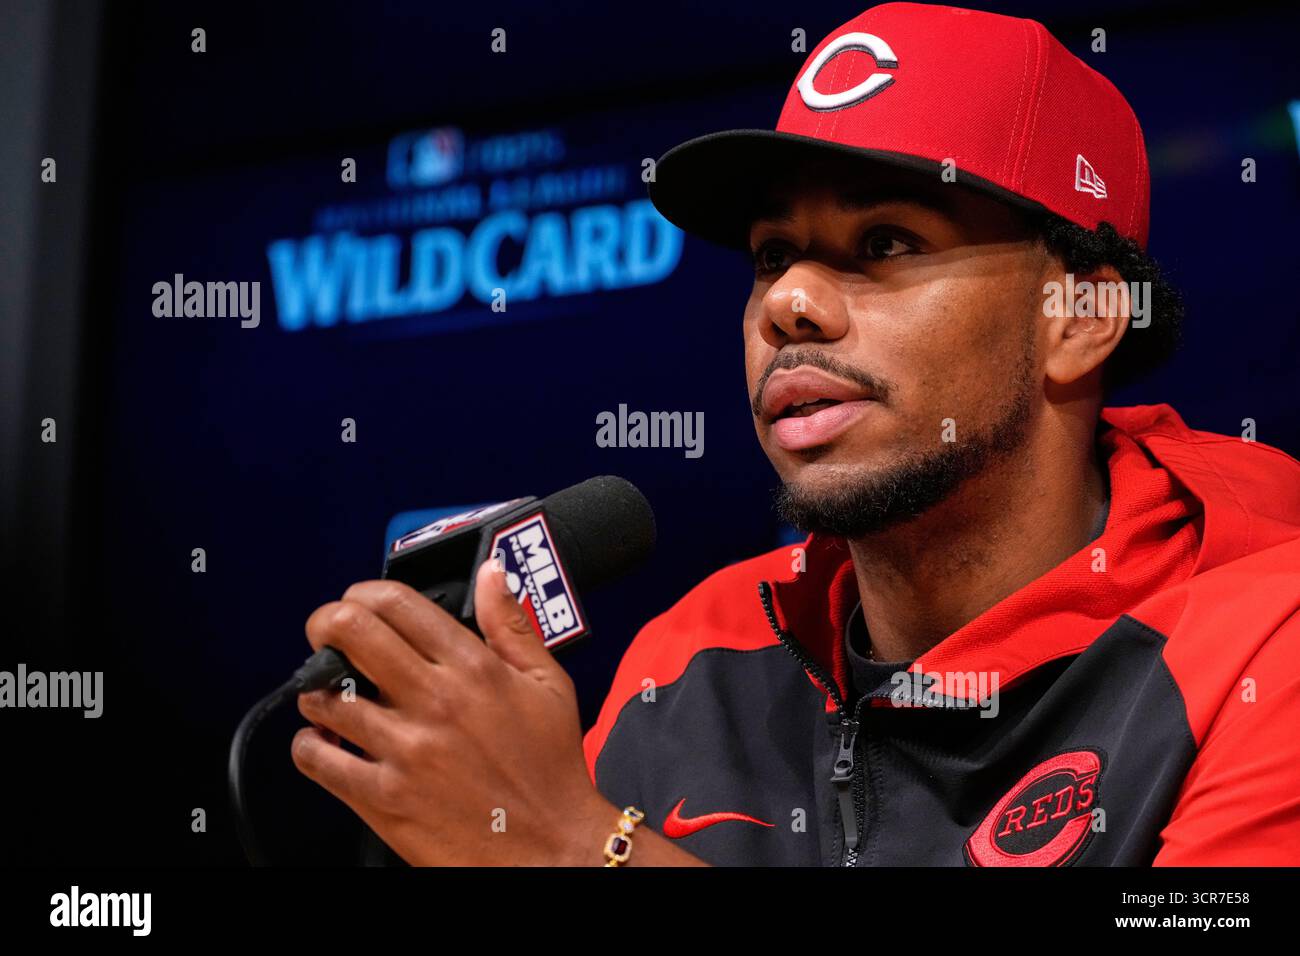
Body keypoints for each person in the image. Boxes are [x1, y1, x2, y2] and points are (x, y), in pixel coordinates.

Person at [289, 3, 1300, 866]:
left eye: (885, 243)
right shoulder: (687, 657)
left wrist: (566, 841)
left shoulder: (1264, 643)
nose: (791, 301)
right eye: (772, 254)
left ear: (1077, 317)